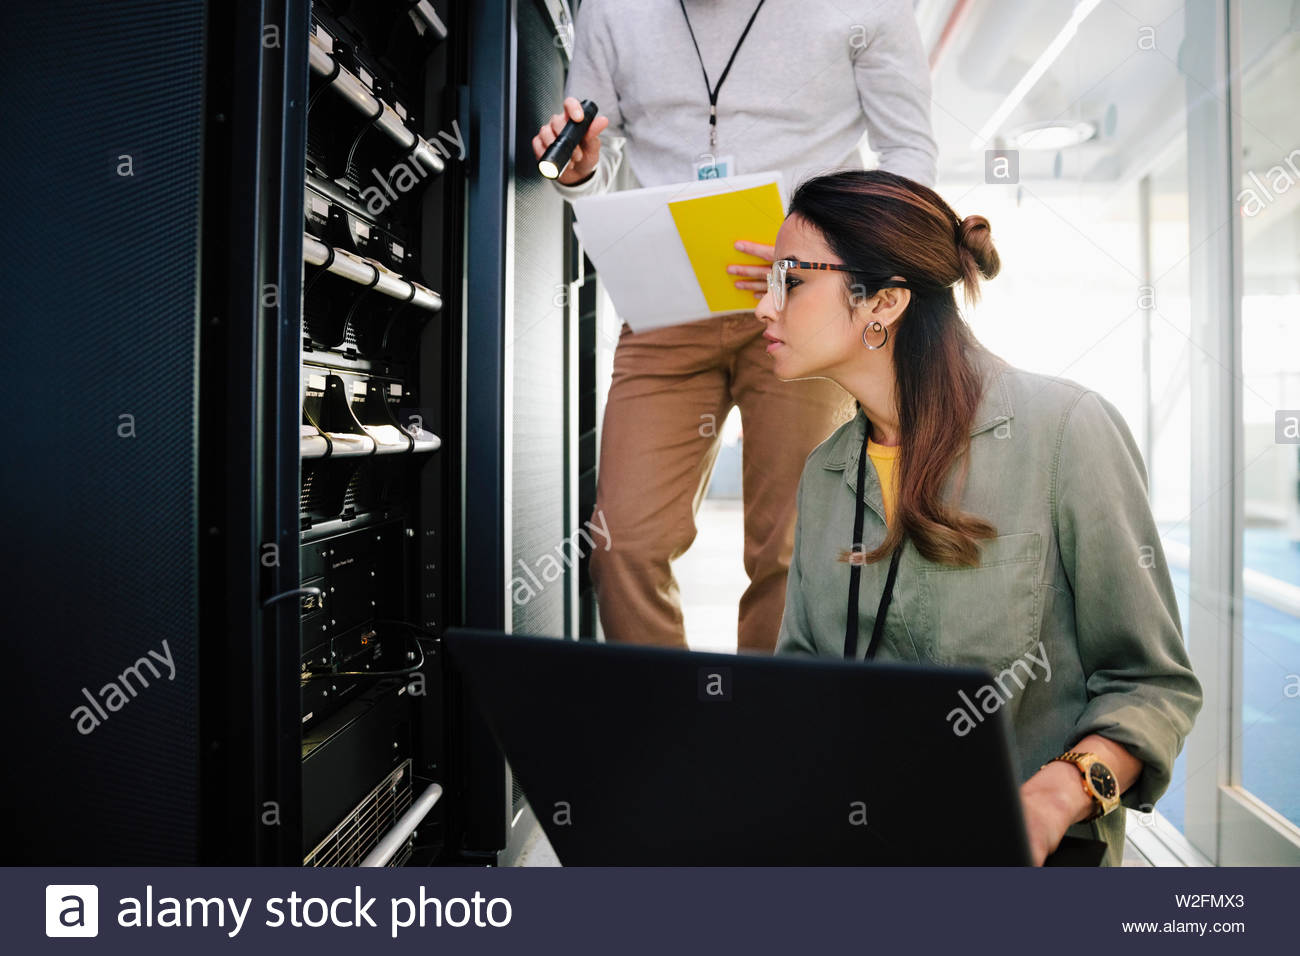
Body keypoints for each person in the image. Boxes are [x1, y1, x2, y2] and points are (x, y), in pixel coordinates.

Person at [761, 169, 1202, 867]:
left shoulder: (1067, 432)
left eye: (789, 279)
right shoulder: (825, 473)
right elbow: (805, 681)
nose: (765, 306)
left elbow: (1151, 684)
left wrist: (1055, 798)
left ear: (883, 302)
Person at [531, 0, 938, 652]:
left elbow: (909, 149)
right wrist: (580, 175)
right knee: (623, 545)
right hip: (667, 299)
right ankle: (670, 737)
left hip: (810, 300)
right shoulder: (613, 9)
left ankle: (769, 738)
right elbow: (590, 158)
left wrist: (845, 256)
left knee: (792, 553)